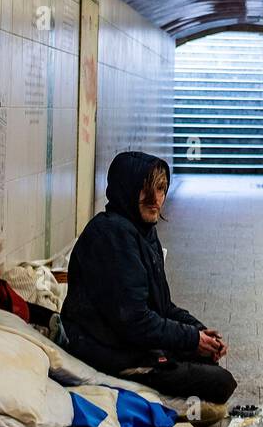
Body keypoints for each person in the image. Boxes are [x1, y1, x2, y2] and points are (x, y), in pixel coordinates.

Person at [61, 151, 237, 405]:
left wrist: (198, 332)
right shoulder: (112, 235)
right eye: (145, 189)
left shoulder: (142, 231)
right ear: (126, 190)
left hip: (128, 341)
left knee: (206, 357)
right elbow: (135, 321)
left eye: (161, 189)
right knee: (220, 382)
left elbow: (162, 306)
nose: (155, 199)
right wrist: (191, 339)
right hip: (107, 350)